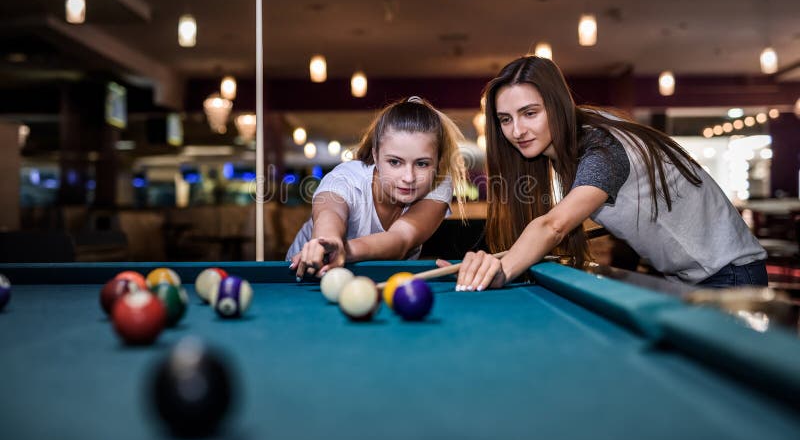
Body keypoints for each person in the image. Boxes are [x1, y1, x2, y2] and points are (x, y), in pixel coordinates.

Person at [446, 56, 767, 291]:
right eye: (505, 119)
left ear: (557, 106)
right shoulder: (568, 144)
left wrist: (499, 271)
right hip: (693, 275)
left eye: (530, 113)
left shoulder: (603, 146)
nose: (517, 130)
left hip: (730, 275)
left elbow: (554, 226)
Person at [287, 96, 468, 279]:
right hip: (305, 275)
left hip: (375, 281)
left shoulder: (438, 183)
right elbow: (330, 215)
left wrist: (342, 251)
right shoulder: (345, 178)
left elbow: (401, 240)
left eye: (422, 164)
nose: (408, 177)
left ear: (437, 163)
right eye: (395, 162)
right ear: (375, 154)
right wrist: (326, 243)